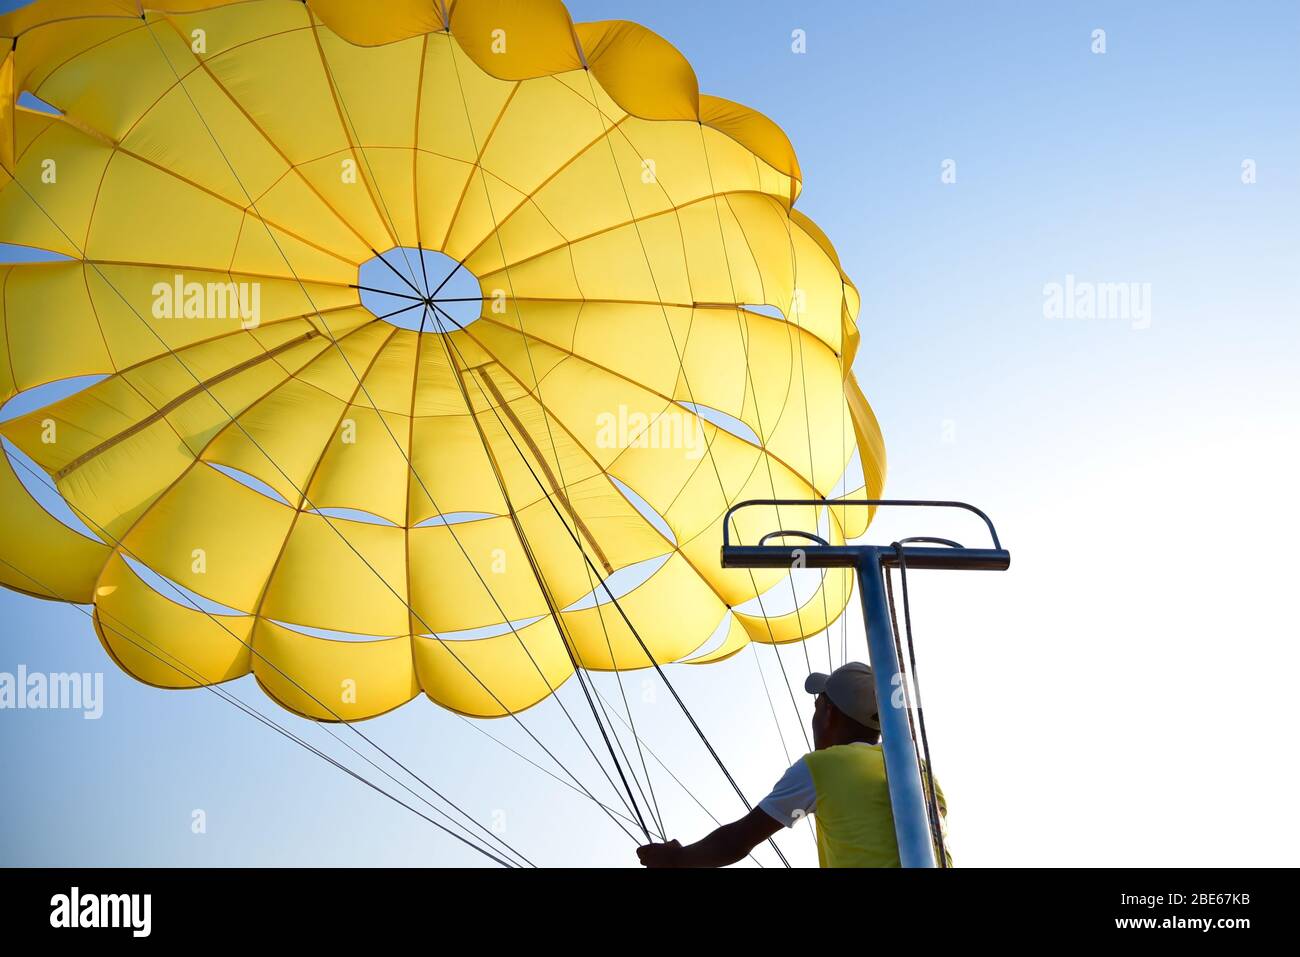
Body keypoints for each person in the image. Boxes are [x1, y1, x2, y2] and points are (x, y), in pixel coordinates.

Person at [636, 661, 947, 868]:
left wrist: (675, 859)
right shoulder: (918, 767)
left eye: (818, 706)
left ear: (829, 715)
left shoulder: (824, 767)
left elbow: (737, 841)